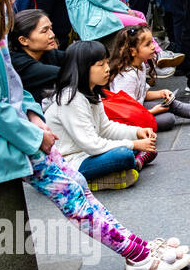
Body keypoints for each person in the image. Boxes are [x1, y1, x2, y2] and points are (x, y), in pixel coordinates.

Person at [0, 0, 190, 270]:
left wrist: (34, 117)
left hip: (24, 135)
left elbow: (16, 93)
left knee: (76, 189)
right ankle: (138, 255)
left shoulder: (1, 37)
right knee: (74, 196)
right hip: (18, 140)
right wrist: (34, 134)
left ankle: (137, 250)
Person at [44, 41, 157, 189]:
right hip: (70, 163)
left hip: (88, 154)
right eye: (100, 64)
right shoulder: (70, 99)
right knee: (125, 154)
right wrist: (135, 144)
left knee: (137, 142)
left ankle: (127, 168)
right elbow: (92, 144)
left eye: (106, 63)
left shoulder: (91, 92)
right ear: (83, 67)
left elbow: (106, 128)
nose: (107, 69)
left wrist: (137, 132)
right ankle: (95, 179)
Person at [108, 25, 190, 132]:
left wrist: (161, 93)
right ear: (132, 51)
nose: (153, 46)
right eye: (147, 44)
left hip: (138, 109)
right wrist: (153, 111)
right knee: (168, 119)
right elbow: (127, 111)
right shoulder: (127, 76)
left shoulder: (140, 65)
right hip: (126, 120)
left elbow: (141, 94)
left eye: (152, 42)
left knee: (172, 105)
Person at [9, 9, 65, 104]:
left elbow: (75, 58)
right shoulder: (19, 64)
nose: (52, 35)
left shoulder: (47, 53)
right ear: (23, 40)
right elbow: (64, 73)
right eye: (44, 31)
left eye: (51, 29)